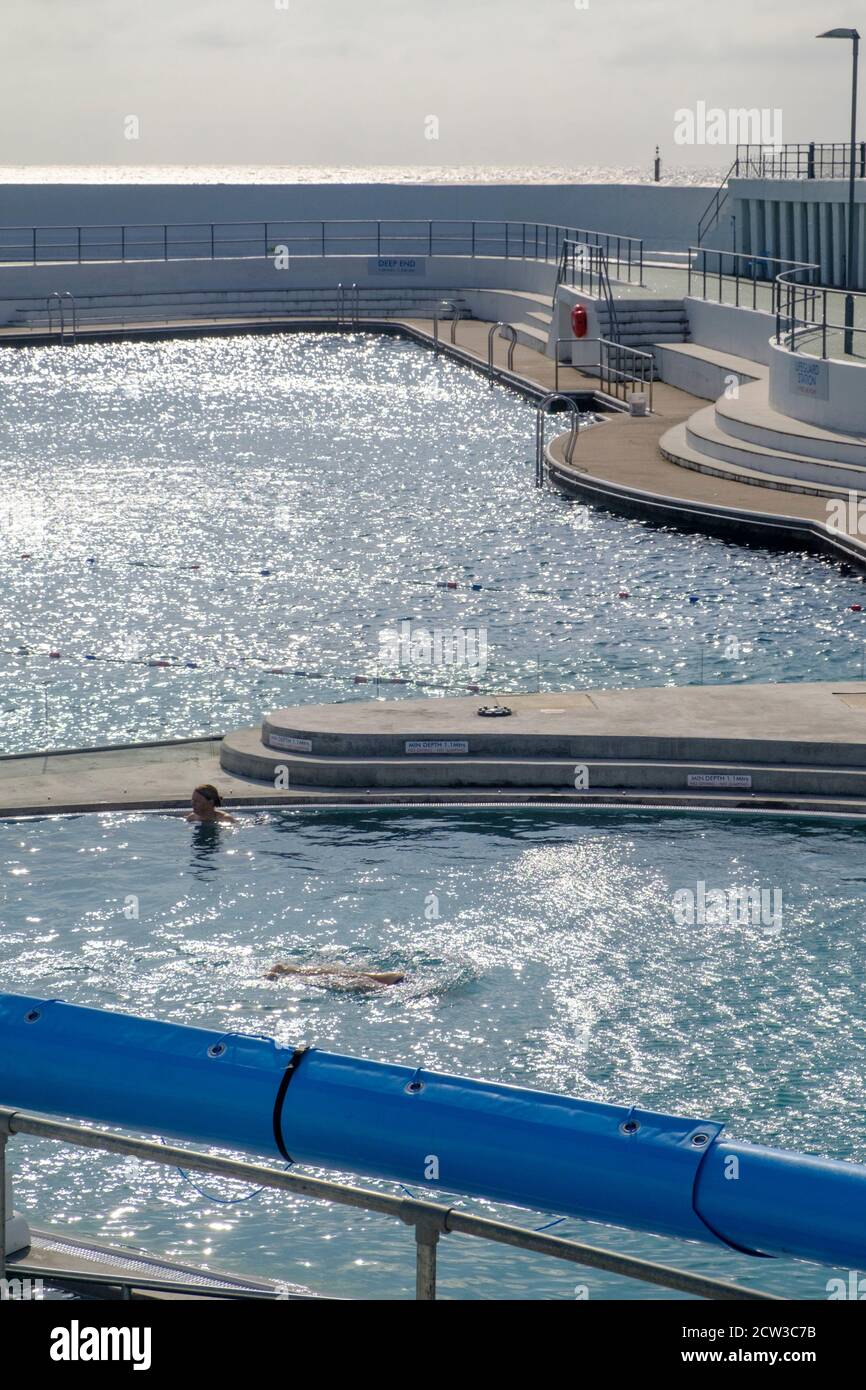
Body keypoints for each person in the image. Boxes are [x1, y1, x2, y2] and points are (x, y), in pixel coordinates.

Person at [265, 962, 404, 988]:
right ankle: (290, 972)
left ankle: (291, 971)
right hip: (404, 983)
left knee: (359, 979)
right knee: (358, 982)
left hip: (402, 981)